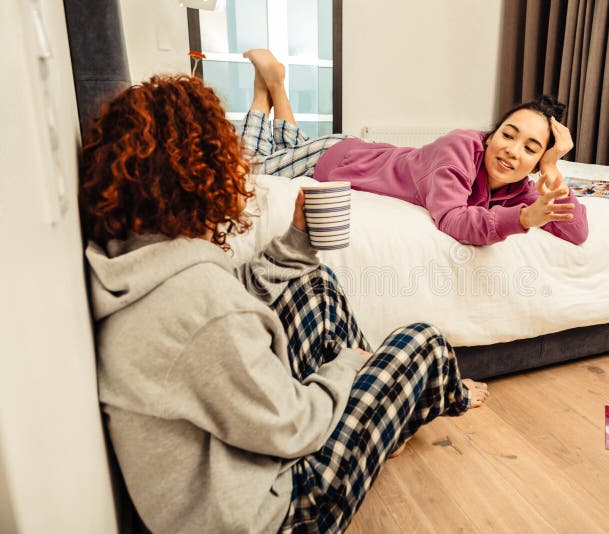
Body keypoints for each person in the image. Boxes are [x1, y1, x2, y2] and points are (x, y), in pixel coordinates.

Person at [79, 68, 489, 532]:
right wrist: (349, 367)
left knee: (314, 283)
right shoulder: (201, 306)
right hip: (277, 511)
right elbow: (292, 427)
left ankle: (384, 412)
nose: (239, 167)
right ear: (199, 172)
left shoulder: (135, 263)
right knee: (424, 342)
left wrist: (297, 238)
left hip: (229, 477)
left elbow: (236, 290)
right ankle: (443, 396)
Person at [241, 49, 589, 247]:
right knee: (244, 169)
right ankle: (261, 92)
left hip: (357, 153)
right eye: (508, 135)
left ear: (537, 163)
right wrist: (523, 218)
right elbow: (452, 218)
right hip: (337, 159)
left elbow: (576, 231)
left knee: (289, 148)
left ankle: (275, 86)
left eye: (530, 148)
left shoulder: (520, 186)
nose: (513, 150)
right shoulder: (460, 148)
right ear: (490, 136)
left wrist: (552, 168)